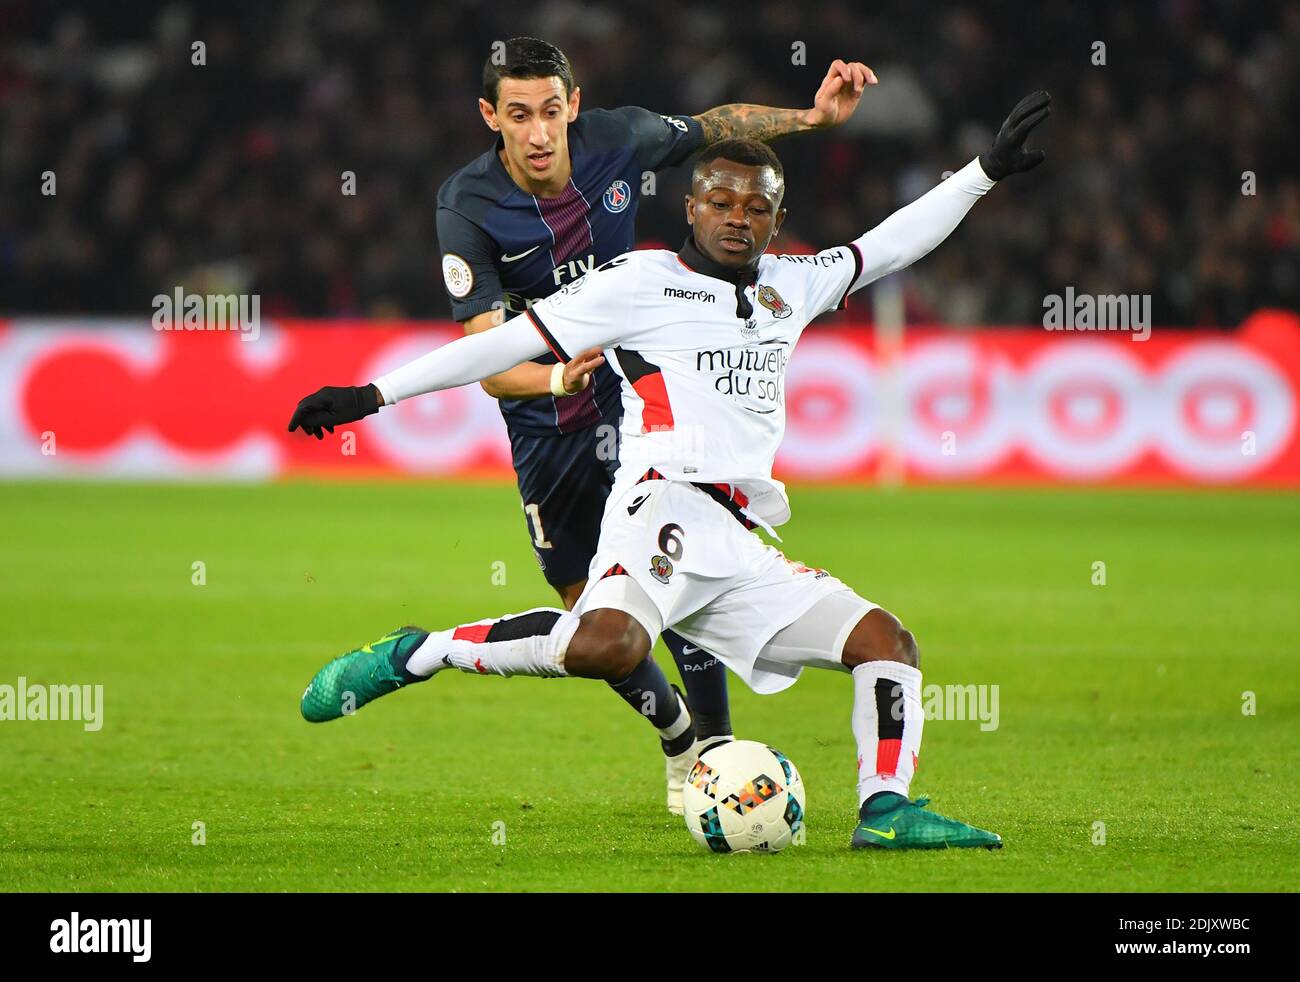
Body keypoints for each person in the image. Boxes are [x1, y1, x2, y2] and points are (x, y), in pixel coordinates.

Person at [291, 90, 1051, 848]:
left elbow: (888, 245)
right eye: (719, 201)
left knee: (887, 644)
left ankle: (885, 811)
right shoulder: (638, 282)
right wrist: (374, 392)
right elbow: (503, 344)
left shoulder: (793, 285)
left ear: (775, 221)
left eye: (755, 208)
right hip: (661, 505)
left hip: (742, 540)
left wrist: (982, 172)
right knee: (609, 646)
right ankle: (419, 652)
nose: (736, 217)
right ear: (691, 209)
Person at [343, 37, 876, 814]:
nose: (537, 132)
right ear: (491, 116)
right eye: (518, 114)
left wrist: (810, 116)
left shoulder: (618, 140)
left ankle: (714, 753)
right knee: (588, 622)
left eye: (551, 112)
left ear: (574, 108)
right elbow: (491, 361)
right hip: (546, 421)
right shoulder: (467, 203)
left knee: (681, 568)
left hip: (642, 405)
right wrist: (557, 374)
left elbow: (712, 126)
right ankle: (679, 737)